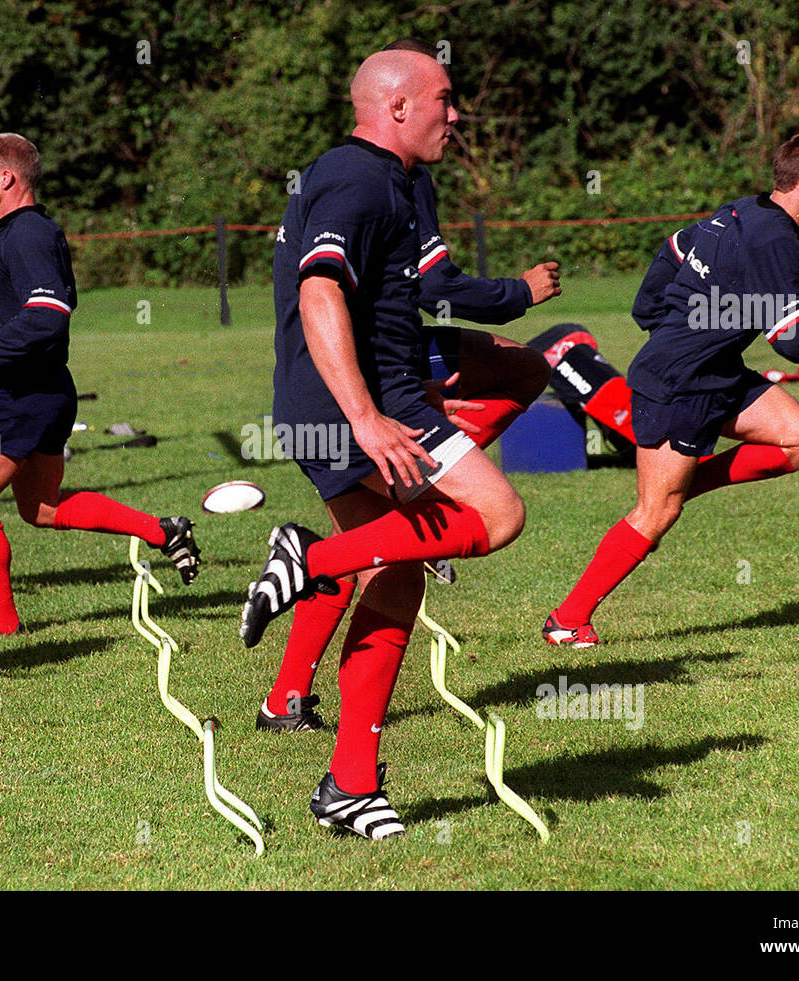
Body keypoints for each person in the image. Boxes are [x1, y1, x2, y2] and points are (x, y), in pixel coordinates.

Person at [239, 50, 531, 839]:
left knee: (399, 575)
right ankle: (309, 562)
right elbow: (319, 288)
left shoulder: (399, 181)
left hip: (342, 404)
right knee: (499, 513)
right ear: (396, 107)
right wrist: (368, 415)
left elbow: (407, 296)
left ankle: (350, 784)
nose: (456, 113)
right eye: (445, 99)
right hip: (356, 411)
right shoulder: (357, 178)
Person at [542, 134, 799, 647]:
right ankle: (567, 620)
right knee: (655, 514)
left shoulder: (742, 210)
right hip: (678, 386)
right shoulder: (776, 240)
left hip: (716, 373)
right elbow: (794, 340)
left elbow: (672, 248)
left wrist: (656, 315)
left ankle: (683, 485)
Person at [0, 133, 200, 637]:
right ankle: (162, 530)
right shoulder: (23, 231)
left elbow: (50, 318)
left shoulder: (28, 235)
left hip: (16, 395)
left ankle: (2, 627)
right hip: (44, 392)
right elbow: (45, 304)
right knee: (40, 508)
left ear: (7, 178)